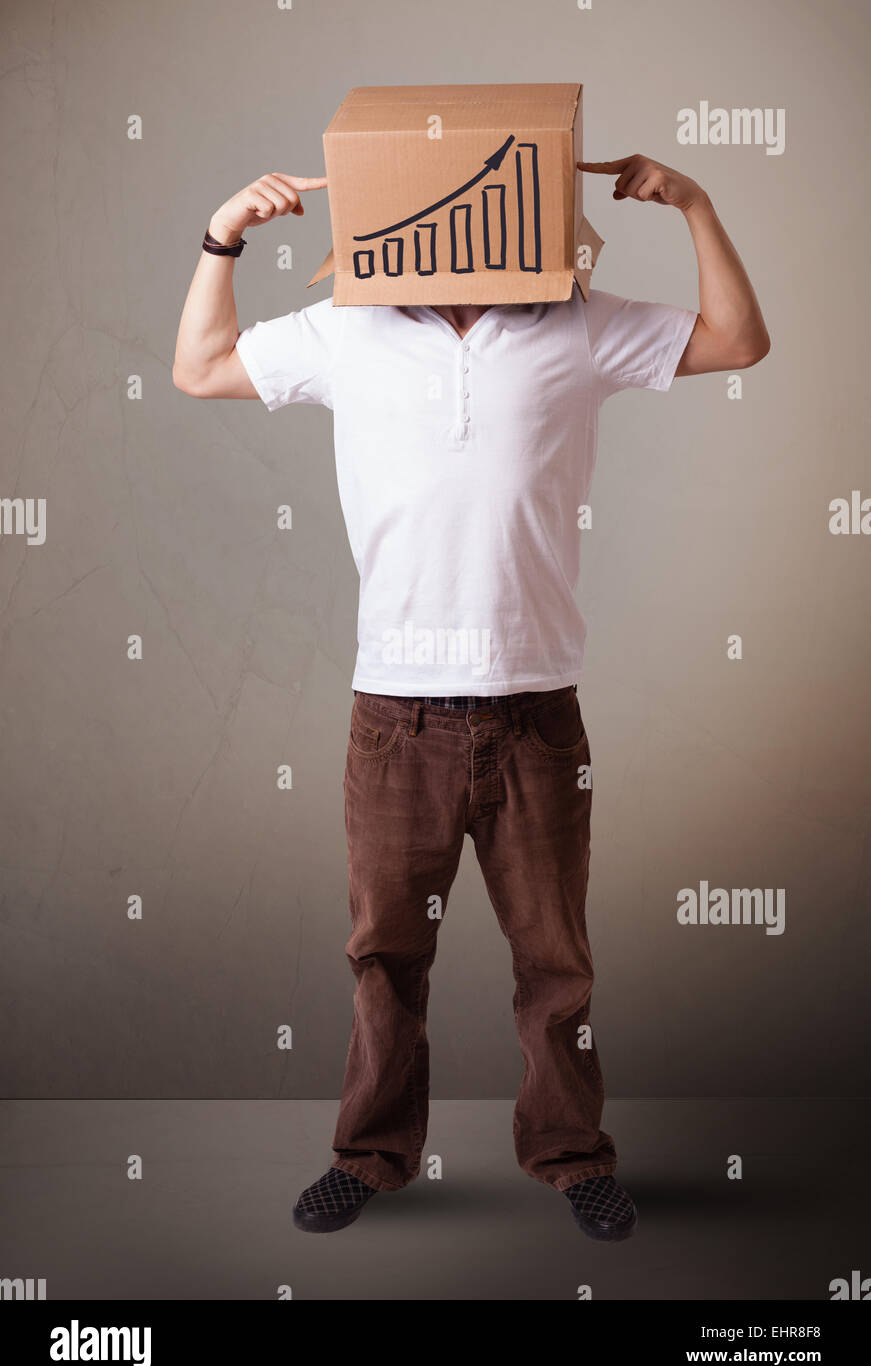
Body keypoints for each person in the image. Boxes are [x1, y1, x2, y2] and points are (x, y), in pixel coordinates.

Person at [173, 152, 770, 1241]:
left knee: (555, 960)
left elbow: (738, 340)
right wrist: (225, 237)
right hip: (394, 714)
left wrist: (694, 203)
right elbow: (200, 366)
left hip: (536, 709)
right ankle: (369, 1154)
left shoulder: (574, 320)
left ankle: (572, 1155)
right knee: (385, 956)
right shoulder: (346, 328)